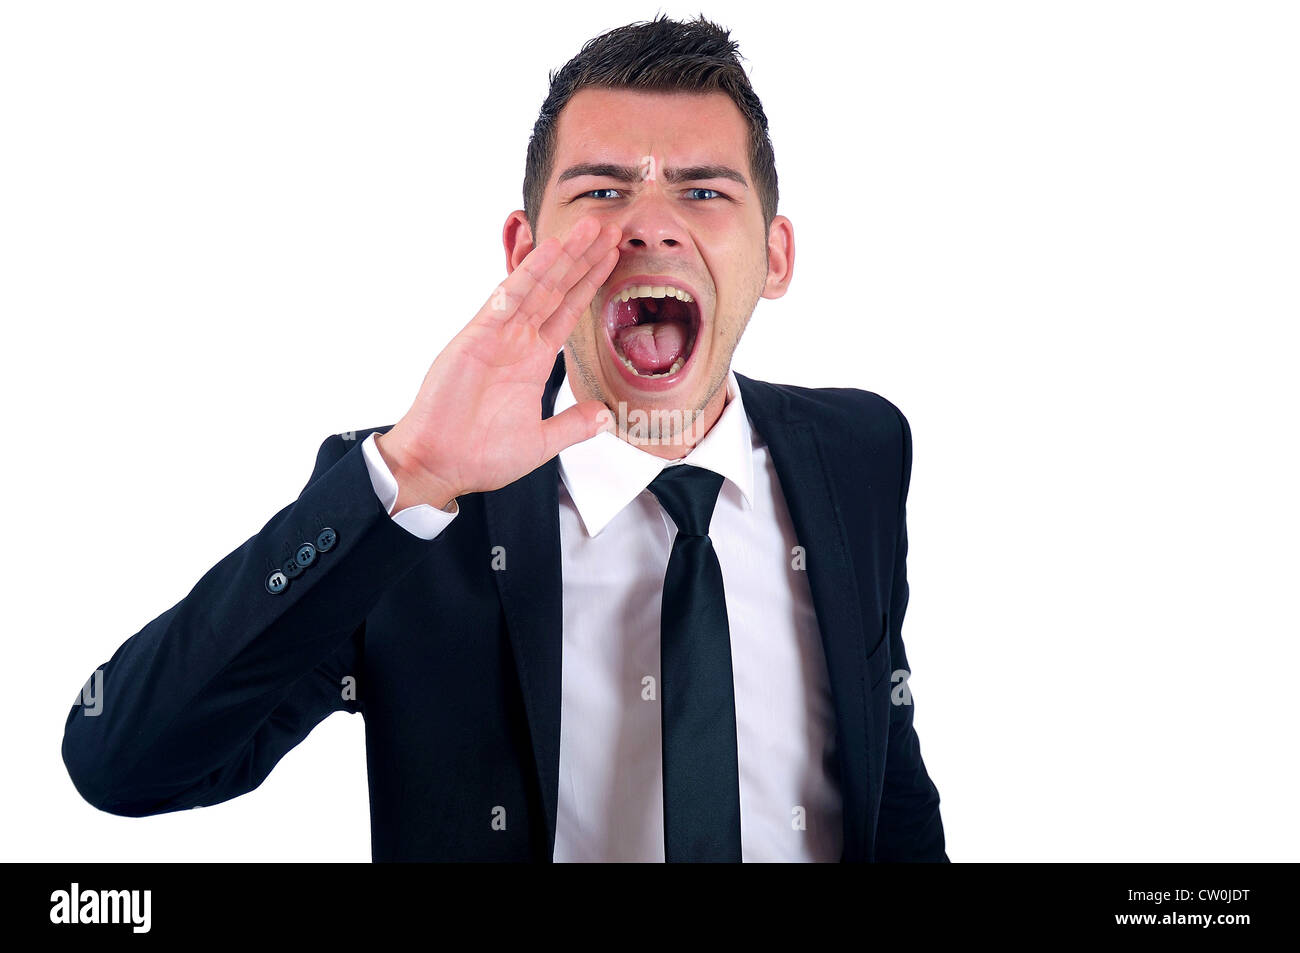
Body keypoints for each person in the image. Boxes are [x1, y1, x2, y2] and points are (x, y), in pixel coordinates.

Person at [62, 13, 946, 862]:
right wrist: (409, 474)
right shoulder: (410, 514)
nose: (647, 224)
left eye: (704, 190)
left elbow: (884, 782)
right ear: (524, 250)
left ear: (777, 255)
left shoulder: (859, 452)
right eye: (602, 191)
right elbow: (122, 761)